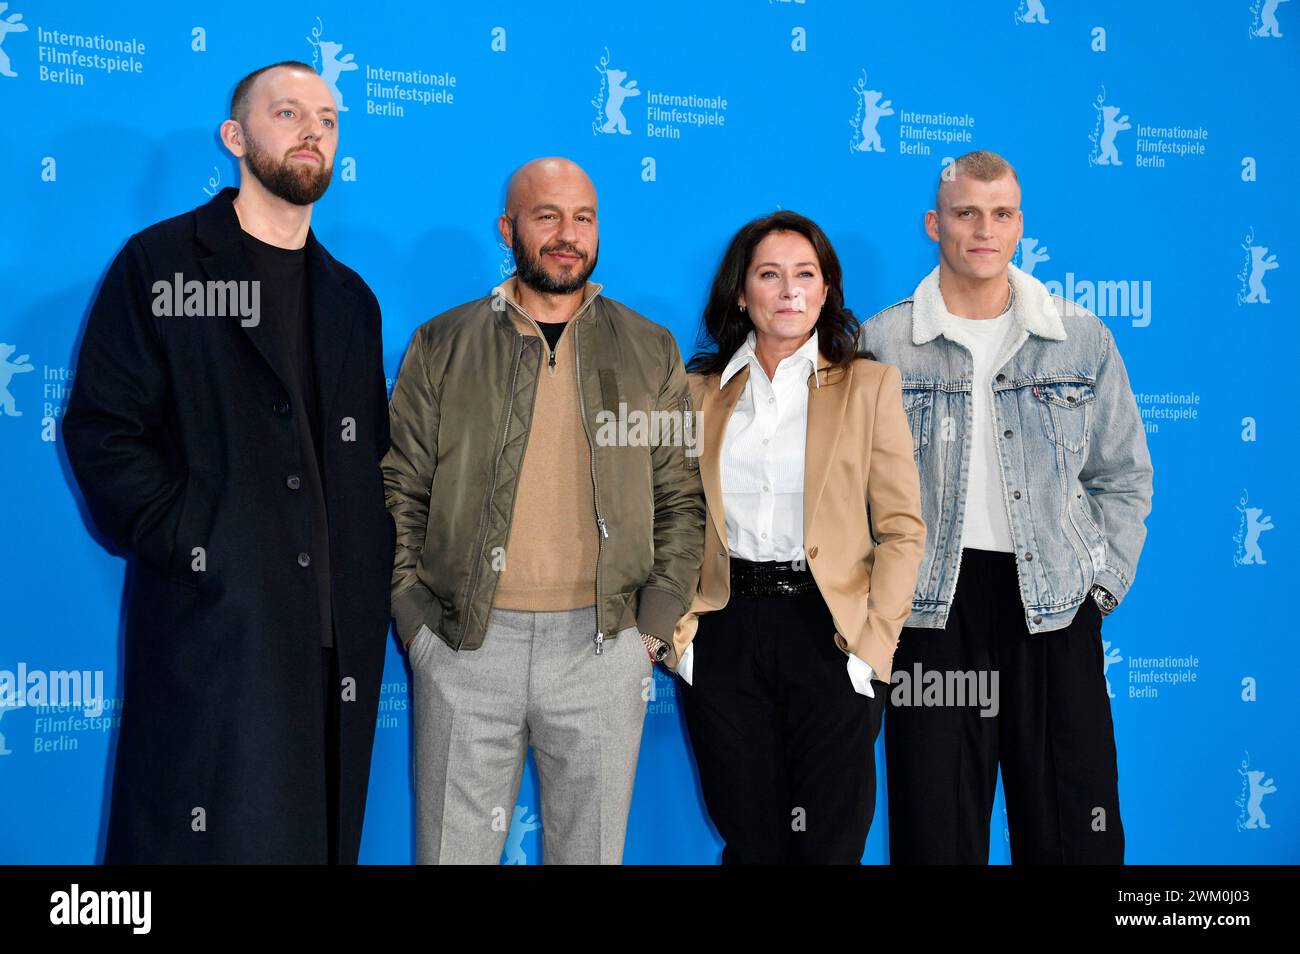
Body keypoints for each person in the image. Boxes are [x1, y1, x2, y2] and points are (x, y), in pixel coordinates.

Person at [63, 61, 395, 863]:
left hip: (336, 649)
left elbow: (369, 463)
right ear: (236, 137)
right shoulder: (163, 264)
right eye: (288, 113)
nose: (313, 130)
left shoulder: (352, 299)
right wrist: (198, 540)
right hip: (218, 635)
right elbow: (103, 431)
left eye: (328, 119)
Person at [383, 156, 705, 865]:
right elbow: (398, 489)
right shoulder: (442, 343)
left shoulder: (650, 348)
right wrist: (417, 624)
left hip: (604, 647)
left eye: (583, 218)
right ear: (508, 229)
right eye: (547, 216)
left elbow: (681, 497)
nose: (568, 234)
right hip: (465, 646)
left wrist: (649, 632)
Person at [858, 150, 1154, 864]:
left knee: (1073, 832)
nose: (984, 230)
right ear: (935, 224)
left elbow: (1124, 476)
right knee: (935, 834)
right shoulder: (883, 342)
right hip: (931, 616)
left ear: (1020, 225)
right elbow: (853, 491)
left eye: (1001, 214)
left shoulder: (1081, 338)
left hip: (1055, 611)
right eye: (966, 213)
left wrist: (1099, 590)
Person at [670, 210, 925, 864]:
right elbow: (665, 518)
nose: (789, 291)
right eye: (769, 275)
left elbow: (901, 528)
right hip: (724, 634)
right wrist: (681, 642)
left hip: (830, 634)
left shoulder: (869, 386)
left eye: (805, 274)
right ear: (740, 293)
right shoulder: (696, 394)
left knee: (829, 847)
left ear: (826, 289)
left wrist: (872, 650)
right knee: (752, 844)